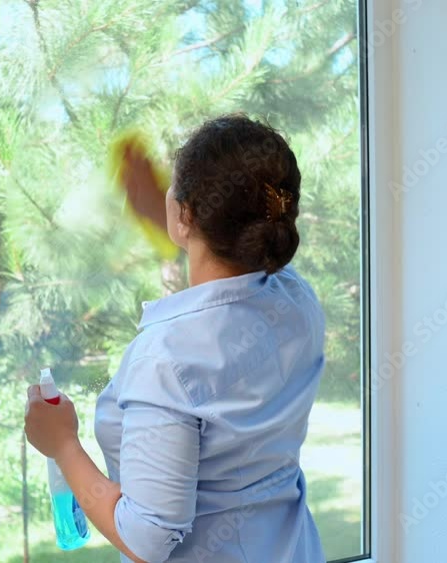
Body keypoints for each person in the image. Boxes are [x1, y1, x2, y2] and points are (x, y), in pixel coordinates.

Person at [25, 114, 327, 563]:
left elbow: (147, 540)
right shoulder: (296, 301)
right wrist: (175, 218)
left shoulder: (167, 358)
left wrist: (62, 443)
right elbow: (230, 275)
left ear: (184, 214)